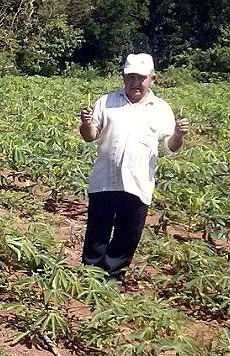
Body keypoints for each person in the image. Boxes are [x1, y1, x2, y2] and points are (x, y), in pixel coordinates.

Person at [78, 53, 189, 280]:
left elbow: (171, 146)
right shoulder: (106, 101)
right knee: (97, 231)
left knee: (128, 233)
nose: (135, 82)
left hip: (138, 182)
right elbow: (90, 136)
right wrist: (86, 123)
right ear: (123, 77)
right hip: (104, 179)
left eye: (141, 78)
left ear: (152, 79)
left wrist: (178, 134)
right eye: (130, 77)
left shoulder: (160, 108)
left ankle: (113, 276)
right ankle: (89, 275)